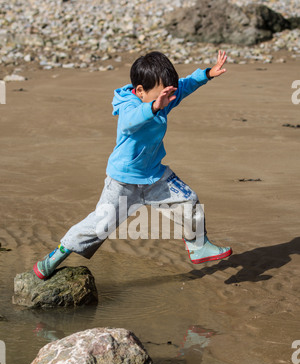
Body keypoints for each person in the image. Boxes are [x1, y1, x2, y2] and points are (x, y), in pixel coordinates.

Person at [33, 50, 232, 280]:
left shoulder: (165, 98)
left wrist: (207, 74)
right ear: (140, 91)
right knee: (99, 226)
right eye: (165, 93)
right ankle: (56, 256)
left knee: (189, 200)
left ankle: (198, 246)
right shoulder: (129, 105)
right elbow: (129, 123)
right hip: (123, 182)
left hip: (155, 176)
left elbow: (184, 85)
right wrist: (155, 107)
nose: (170, 98)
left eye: (171, 92)